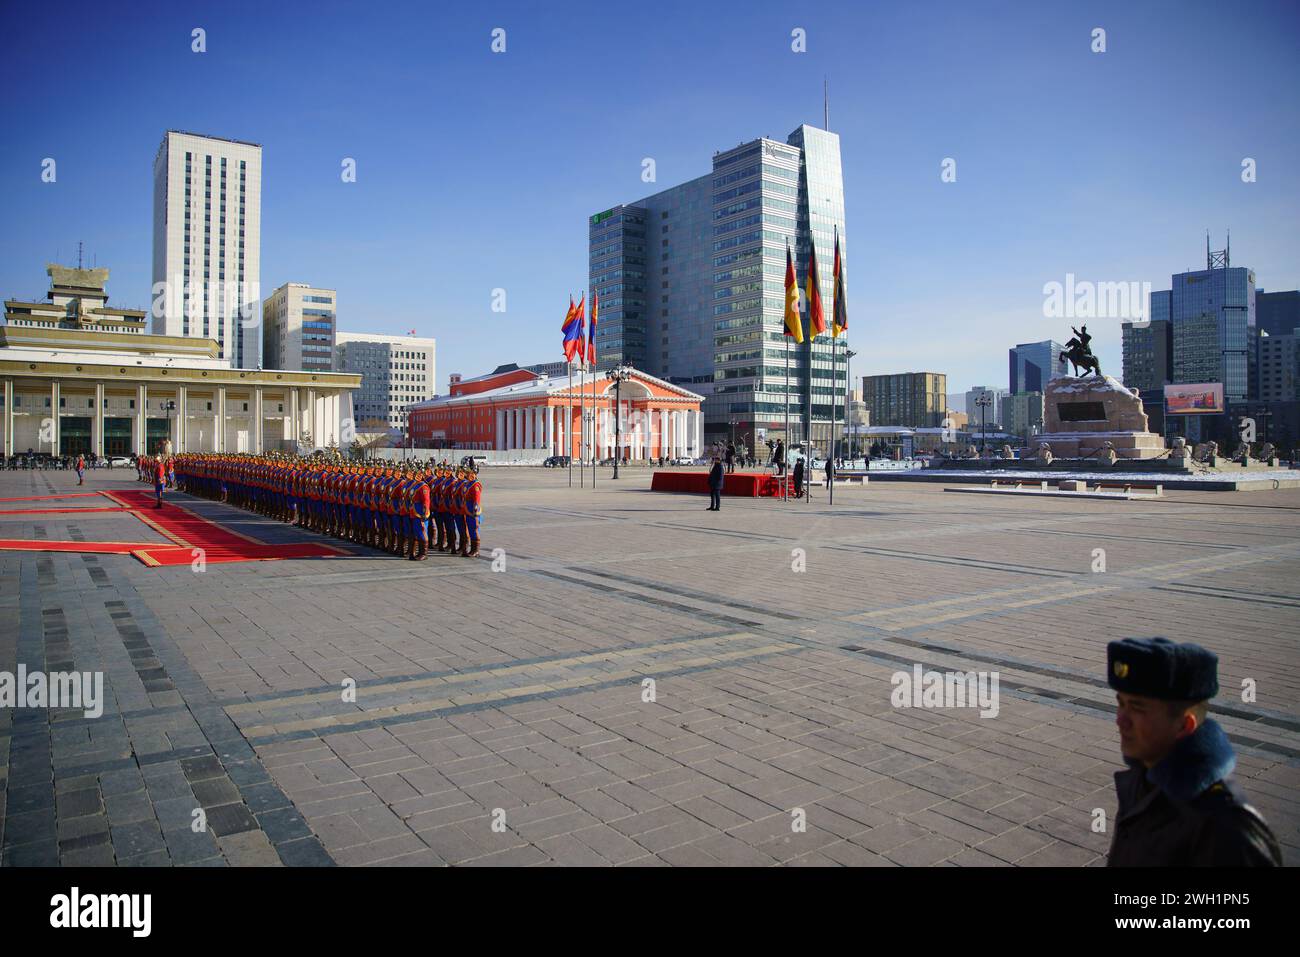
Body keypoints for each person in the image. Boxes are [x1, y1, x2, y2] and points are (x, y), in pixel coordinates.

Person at [1106, 637, 1282, 867]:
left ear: (1184, 725)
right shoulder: (1143, 780)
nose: (1120, 720)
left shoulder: (1227, 828)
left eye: (1137, 708)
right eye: (1121, 703)